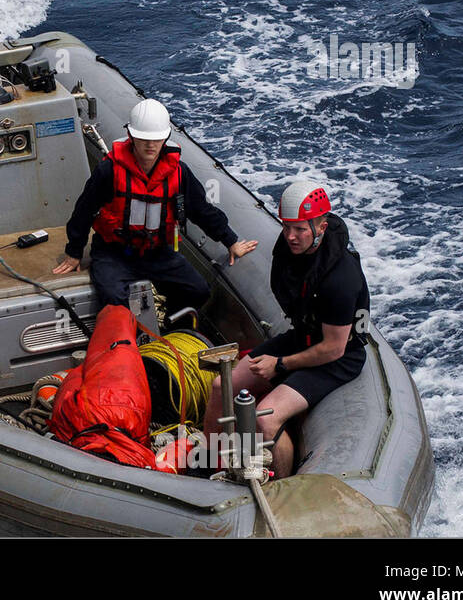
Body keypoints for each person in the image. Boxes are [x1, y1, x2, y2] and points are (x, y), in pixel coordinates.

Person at [201, 181, 371, 478]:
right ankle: (209, 467)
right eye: (287, 227)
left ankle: (278, 485)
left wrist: (280, 365)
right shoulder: (290, 252)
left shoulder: (340, 278)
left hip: (336, 360)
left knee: (265, 419)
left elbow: (335, 347)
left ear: (320, 227)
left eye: (300, 229)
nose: (291, 236)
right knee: (220, 388)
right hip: (301, 338)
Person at [53, 98, 258, 317]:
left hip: (157, 253)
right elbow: (85, 209)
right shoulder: (109, 171)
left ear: (165, 137)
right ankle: (125, 342)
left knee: (197, 291)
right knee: (114, 301)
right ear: (132, 136)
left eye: (156, 139)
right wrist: (74, 252)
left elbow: (201, 210)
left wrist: (230, 240)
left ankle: (169, 325)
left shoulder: (179, 173)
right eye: (144, 139)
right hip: (113, 253)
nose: (150, 145)